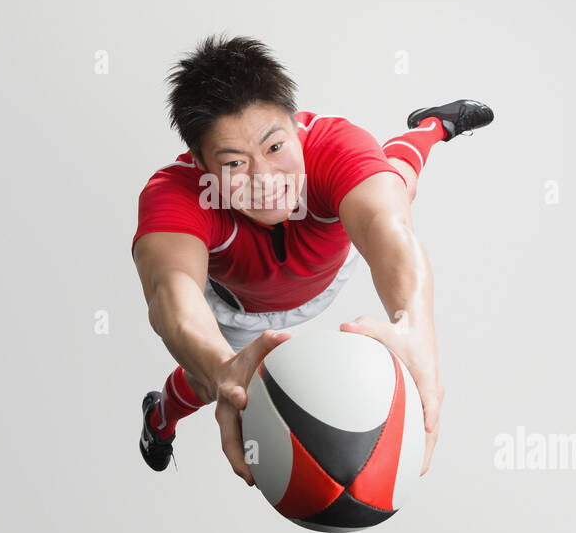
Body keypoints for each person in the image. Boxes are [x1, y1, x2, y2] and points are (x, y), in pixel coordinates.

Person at [131, 34, 492, 484]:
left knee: (394, 186)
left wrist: (417, 328)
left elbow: (390, 233)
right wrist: (221, 369)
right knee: (210, 380)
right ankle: (159, 419)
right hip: (243, 308)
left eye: (275, 147)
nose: (264, 178)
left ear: (296, 126)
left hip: (330, 269)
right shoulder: (174, 192)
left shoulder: (334, 142)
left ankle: (433, 125)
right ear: (201, 167)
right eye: (234, 164)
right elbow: (172, 292)